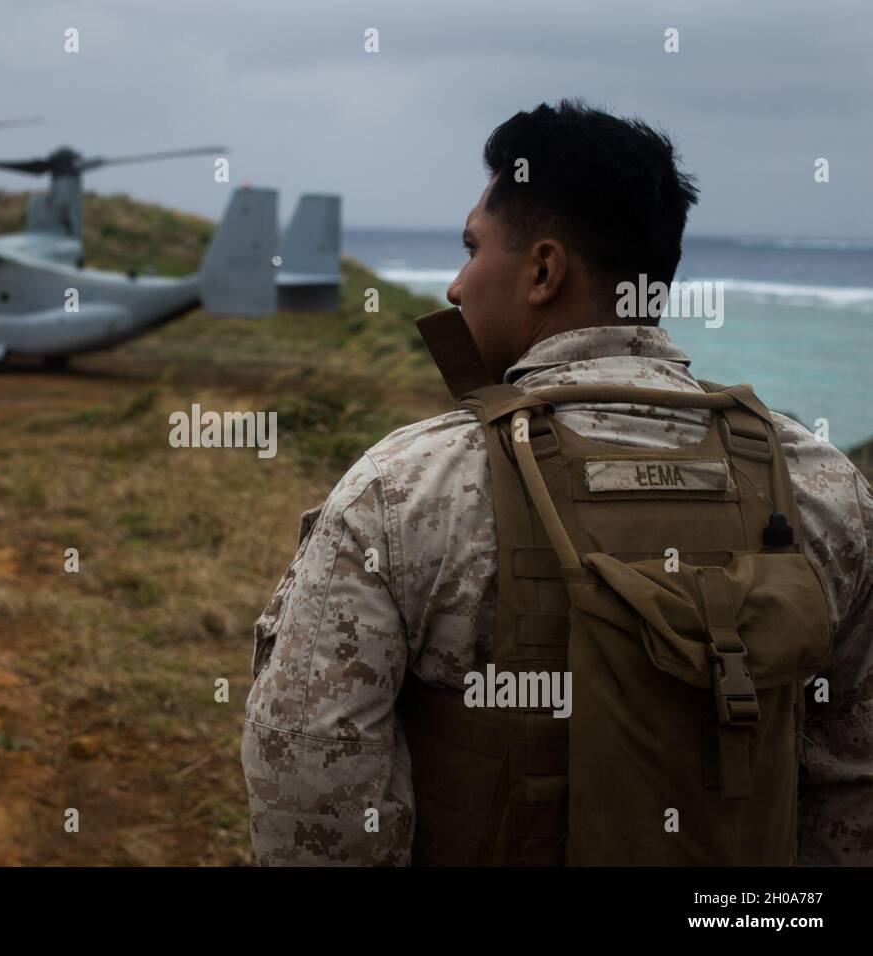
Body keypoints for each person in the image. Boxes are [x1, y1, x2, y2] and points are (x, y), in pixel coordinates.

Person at [240, 99, 873, 866]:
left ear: (543, 270)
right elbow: (850, 786)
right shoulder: (824, 488)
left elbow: (313, 787)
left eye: (472, 249)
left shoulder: (408, 486)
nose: (453, 287)